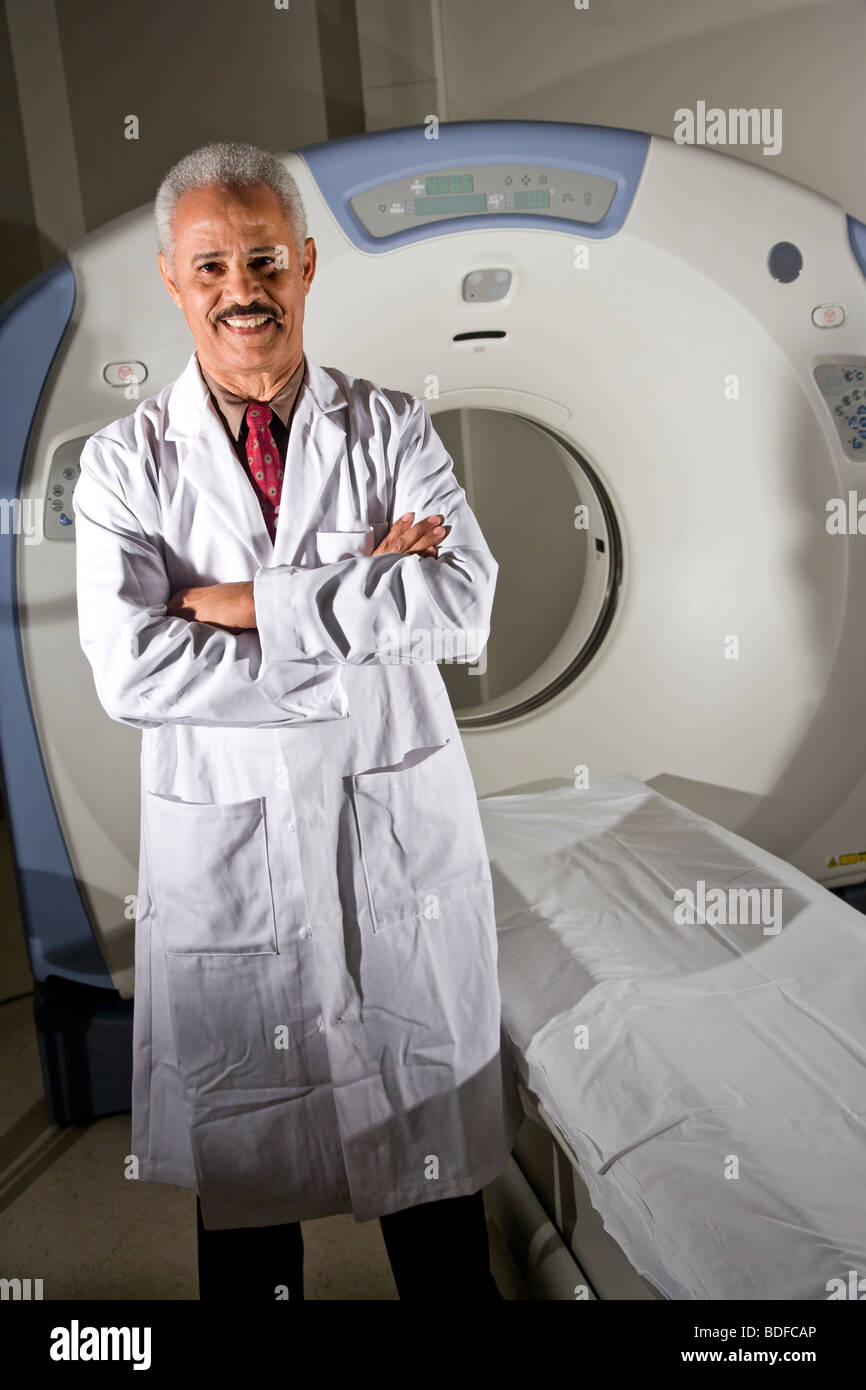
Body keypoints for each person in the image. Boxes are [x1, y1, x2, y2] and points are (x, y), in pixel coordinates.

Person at [73, 141, 523, 1301]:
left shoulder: (390, 429)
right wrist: (354, 619)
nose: (243, 288)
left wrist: (248, 607)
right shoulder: (124, 468)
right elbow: (134, 671)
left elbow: (463, 600)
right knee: (249, 1215)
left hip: (392, 836)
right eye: (211, 264)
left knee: (432, 1202)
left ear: (307, 265)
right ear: (175, 281)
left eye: (264, 258)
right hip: (230, 861)